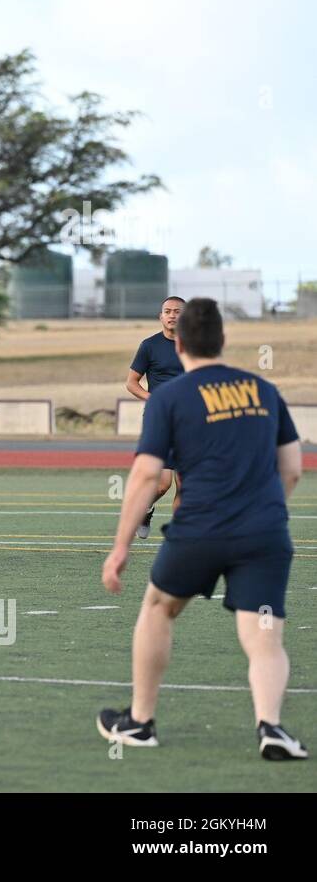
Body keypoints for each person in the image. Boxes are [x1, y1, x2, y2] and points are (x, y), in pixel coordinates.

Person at [97, 298, 306, 761]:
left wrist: (120, 547)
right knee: (265, 633)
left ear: (182, 343)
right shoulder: (263, 389)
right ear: (223, 342)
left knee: (157, 609)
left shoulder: (169, 397)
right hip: (265, 533)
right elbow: (291, 468)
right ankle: (271, 727)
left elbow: (147, 477)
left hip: (199, 531)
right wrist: (263, 512)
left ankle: (141, 722)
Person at [125, 296, 185, 538]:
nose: (172, 315)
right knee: (162, 484)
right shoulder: (149, 345)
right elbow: (131, 383)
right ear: (161, 316)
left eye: (177, 312)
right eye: (167, 311)